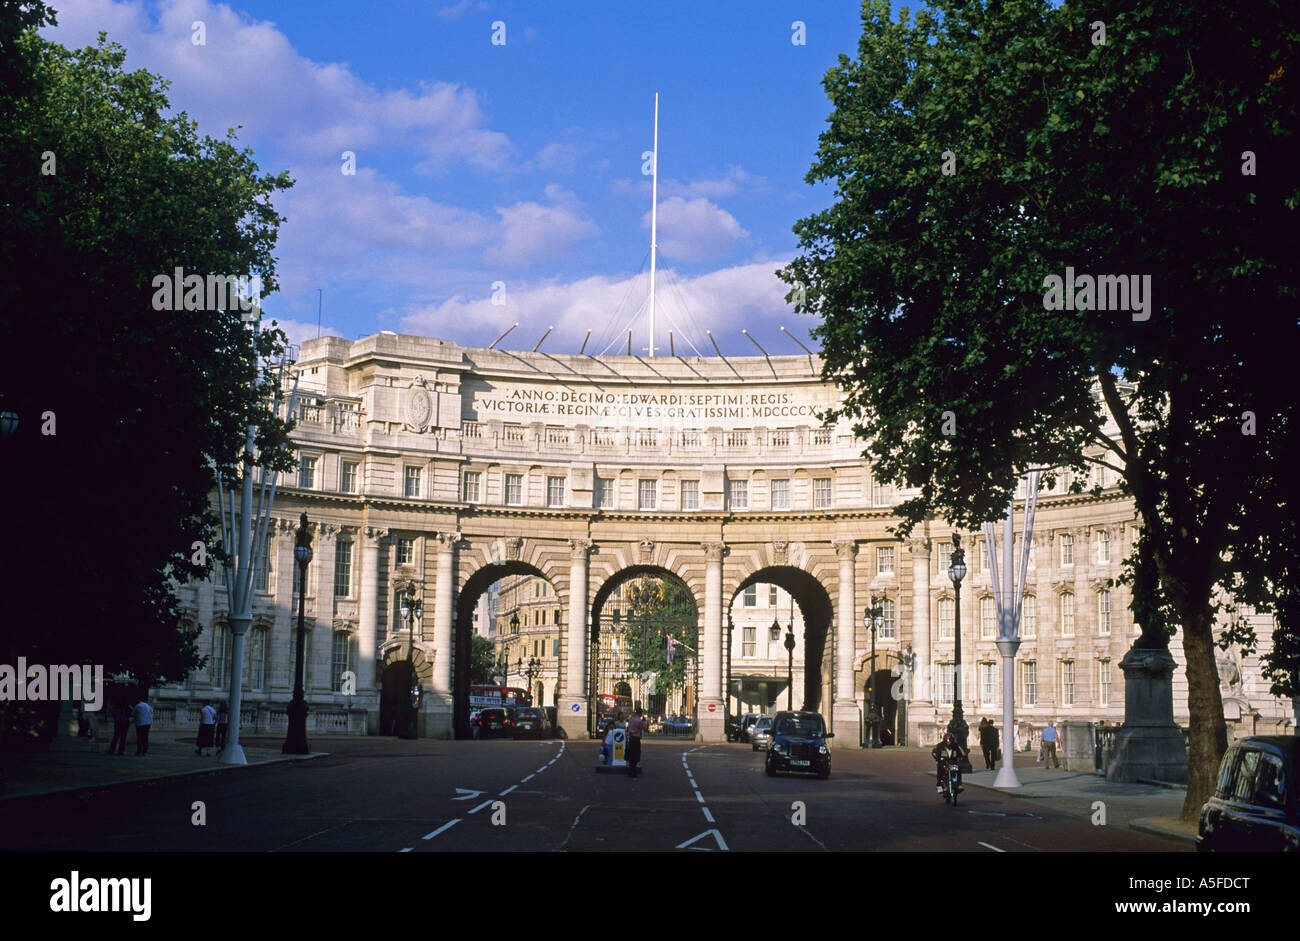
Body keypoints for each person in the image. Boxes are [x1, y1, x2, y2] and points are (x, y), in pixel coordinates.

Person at [625, 708, 648, 777]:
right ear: (640, 713)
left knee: (631, 755)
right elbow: (645, 728)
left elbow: (628, 728)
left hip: (631, 738)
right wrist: (644, 721)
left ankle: (630, 771)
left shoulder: (632, 720)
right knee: (635, 755)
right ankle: (633, 771)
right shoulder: (639, 721)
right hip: (636, 738)